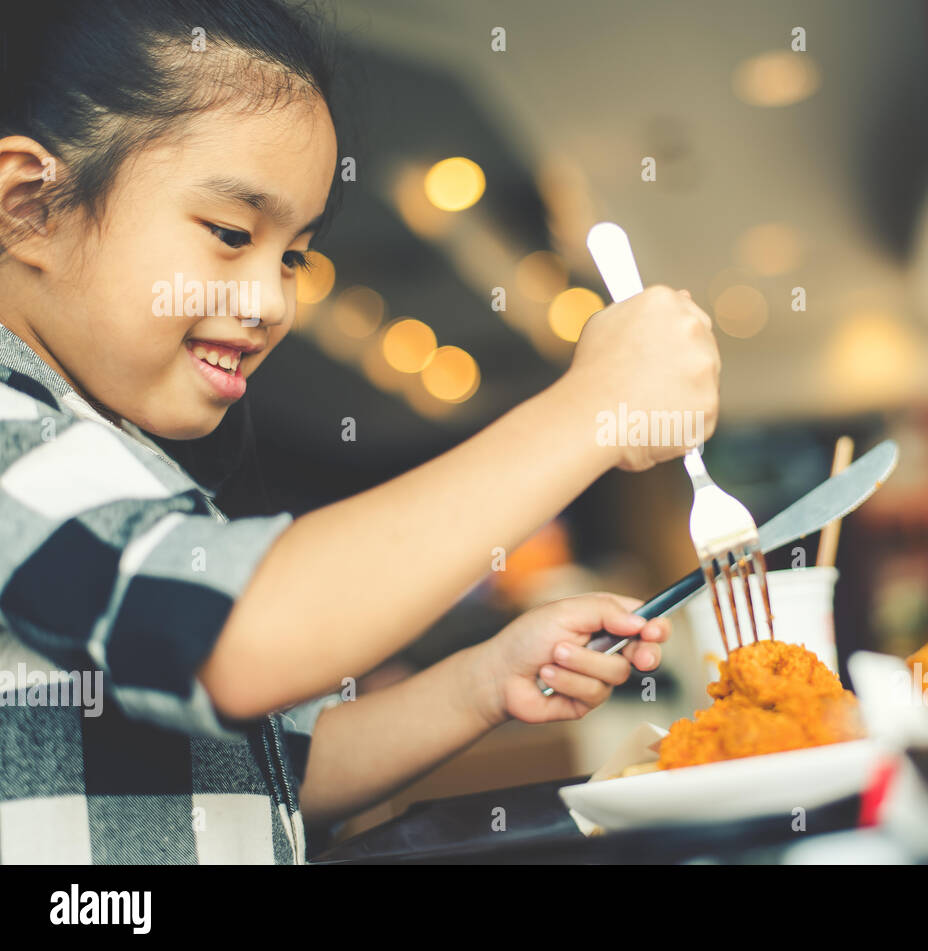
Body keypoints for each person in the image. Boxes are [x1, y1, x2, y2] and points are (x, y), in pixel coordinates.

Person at [0, 0, 719, 863]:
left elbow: (264, 772)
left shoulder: (112, 462)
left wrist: (484, 681)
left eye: (293, 255)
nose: (272, 304)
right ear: (30, 206)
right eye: (232, 234)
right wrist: (590, 410)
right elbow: (238, 644)